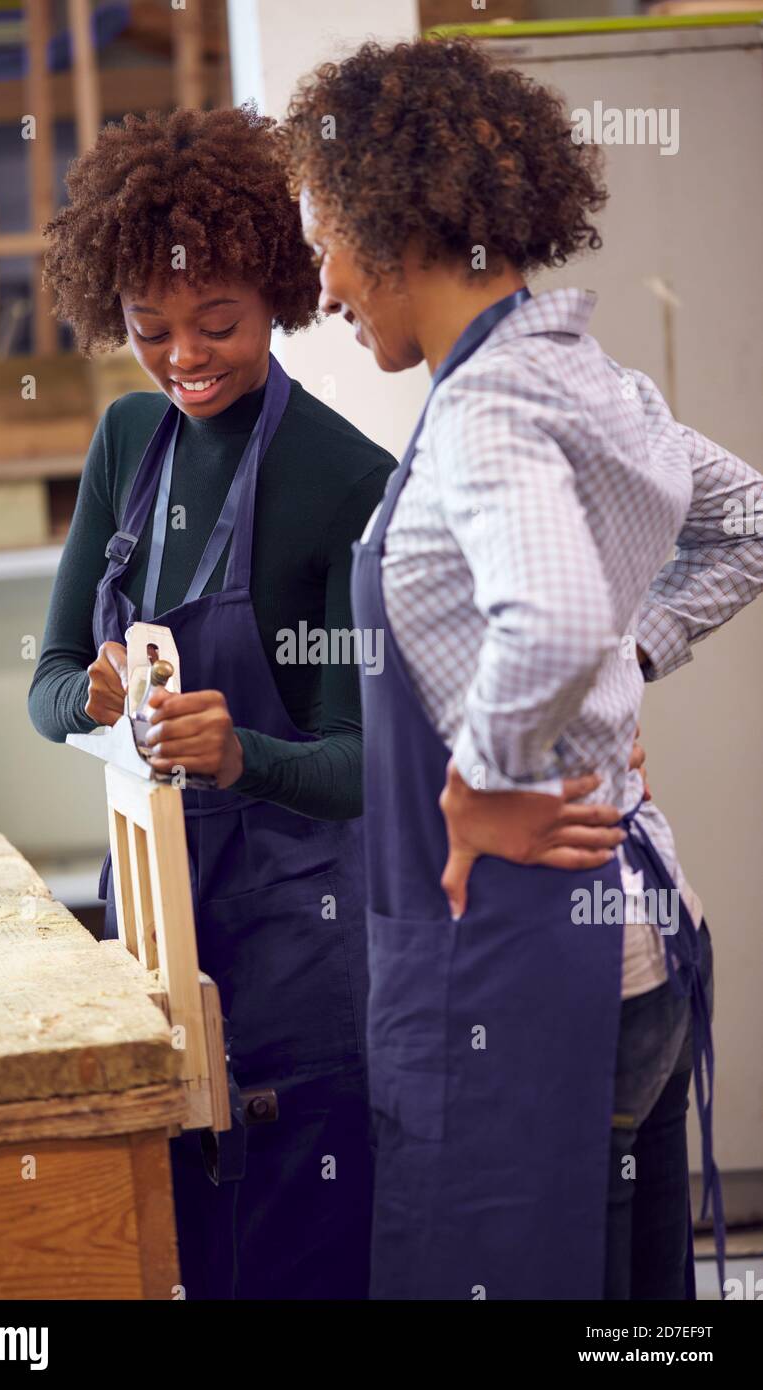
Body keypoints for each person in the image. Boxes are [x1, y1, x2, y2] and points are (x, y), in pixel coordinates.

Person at [285, 37, 763, 1299]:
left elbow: (548, 617)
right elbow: (747, 518)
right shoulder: (582, 374)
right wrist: (632, 659)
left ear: (389, 225)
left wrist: (484, 778)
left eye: (325, 233)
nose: (324, 282)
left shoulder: (490, 409)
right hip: (638, 946)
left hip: (524, 969)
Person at [28, 104, 401, 1300]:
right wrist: (85, 700)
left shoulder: (343, 478)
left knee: (297, 1264)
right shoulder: (127, 439)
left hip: (302, 970)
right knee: (179, 1260)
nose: (184, 357)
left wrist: (238, 753)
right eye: (150, 330)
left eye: (218, 324)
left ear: (277, 293)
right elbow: (45, 688)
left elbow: (364, 764)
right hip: (153, 941)